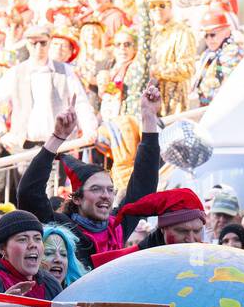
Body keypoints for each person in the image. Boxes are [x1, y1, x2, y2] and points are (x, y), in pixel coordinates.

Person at [17, 84, 161, 269]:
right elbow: (29, 193)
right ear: (77, 198)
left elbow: (144, 185)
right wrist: (57, 138)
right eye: (96, 189)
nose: (106, 195)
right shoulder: (61, 228)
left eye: (110, 190)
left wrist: (149, 117)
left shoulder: (116, 226)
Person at [0, 24, 98, 152]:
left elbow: (80, 103)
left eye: (42, 43)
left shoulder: (64, 70)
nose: (38, 48)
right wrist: (2, 132)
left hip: (62, 147)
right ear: (27, 44)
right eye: (33, 43)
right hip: (25, 148)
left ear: (49, 43)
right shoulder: (16, 72)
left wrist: (89, 129)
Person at [0, 210, 61, 304]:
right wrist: (1, 306)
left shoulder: (50, 283)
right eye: (22, 239)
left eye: (37, 239)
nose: (33, 245)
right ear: (2, 249)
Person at [146, 0, 199, 116]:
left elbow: (187, 68)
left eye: (162, 5)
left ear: (170, 7)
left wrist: (156, 70)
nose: (157, 9)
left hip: (173, 104)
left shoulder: (182, 32)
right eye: (153, 6)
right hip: (150, 104)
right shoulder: (148, 34)